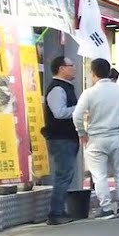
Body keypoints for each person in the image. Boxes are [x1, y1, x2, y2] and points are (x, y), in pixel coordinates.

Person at [72, 58, 119, 219]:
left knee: (99, 175)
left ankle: (106, 208)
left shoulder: (89, 93)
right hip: (117, 136)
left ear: (93, 73)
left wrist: (81, 132)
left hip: (96, 138)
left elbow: (77, 115)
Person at [43, 56, 79, 225]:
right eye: (71, 65)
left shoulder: (67, 87)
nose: (74, 68)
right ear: (61, 68)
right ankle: (55, 213)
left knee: (65, 175)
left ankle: (59, 211)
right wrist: (79, 109)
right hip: (61, 138)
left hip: (67, 137)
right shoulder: (57, 88)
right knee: (63, 175)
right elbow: (59, 112)